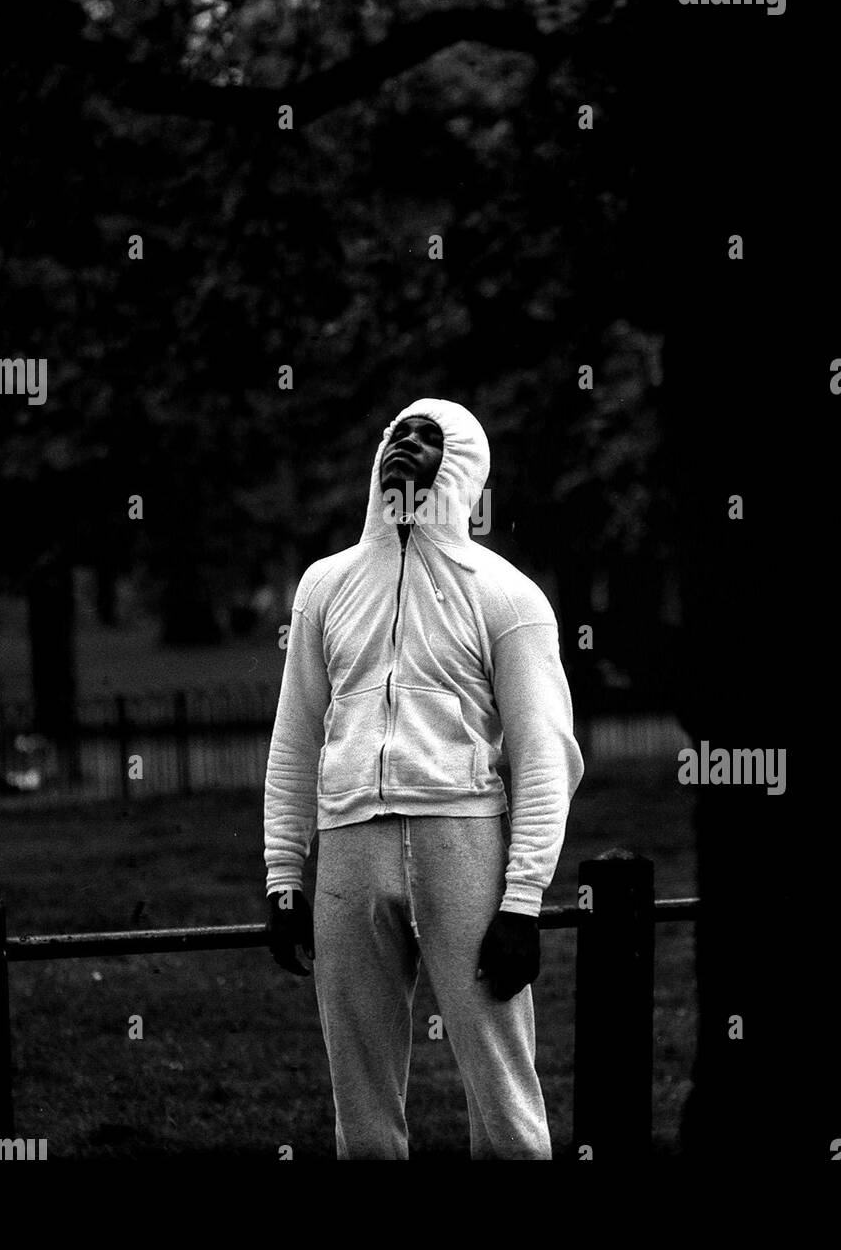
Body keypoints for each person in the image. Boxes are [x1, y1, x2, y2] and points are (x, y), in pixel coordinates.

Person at [262, 398, 584, 1159]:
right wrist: (283, 875)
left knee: (503, 1099)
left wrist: (523, 901)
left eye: (428, 436)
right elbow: (294, 738)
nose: (404, 445)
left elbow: (546, 756)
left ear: (463, 465)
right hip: (345, 850)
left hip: (463, 844)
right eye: (396, 434)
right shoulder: (324, 586)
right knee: (361, 1109)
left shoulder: (505, 595)